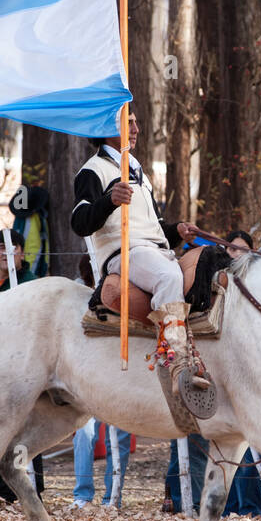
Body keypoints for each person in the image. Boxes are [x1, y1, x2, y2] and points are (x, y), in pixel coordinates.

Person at [70, 113, 205, 410]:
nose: (136, 128)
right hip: (125, 253)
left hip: (156, 252)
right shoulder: (92, 171)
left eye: (135, 121)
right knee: (169, 278)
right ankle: (177, 362)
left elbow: (158, 230)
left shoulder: (138, 171)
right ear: (106, 127)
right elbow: (79, 223)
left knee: (209, 267)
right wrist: (109, 200)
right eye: (128, 122)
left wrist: (178, 229)